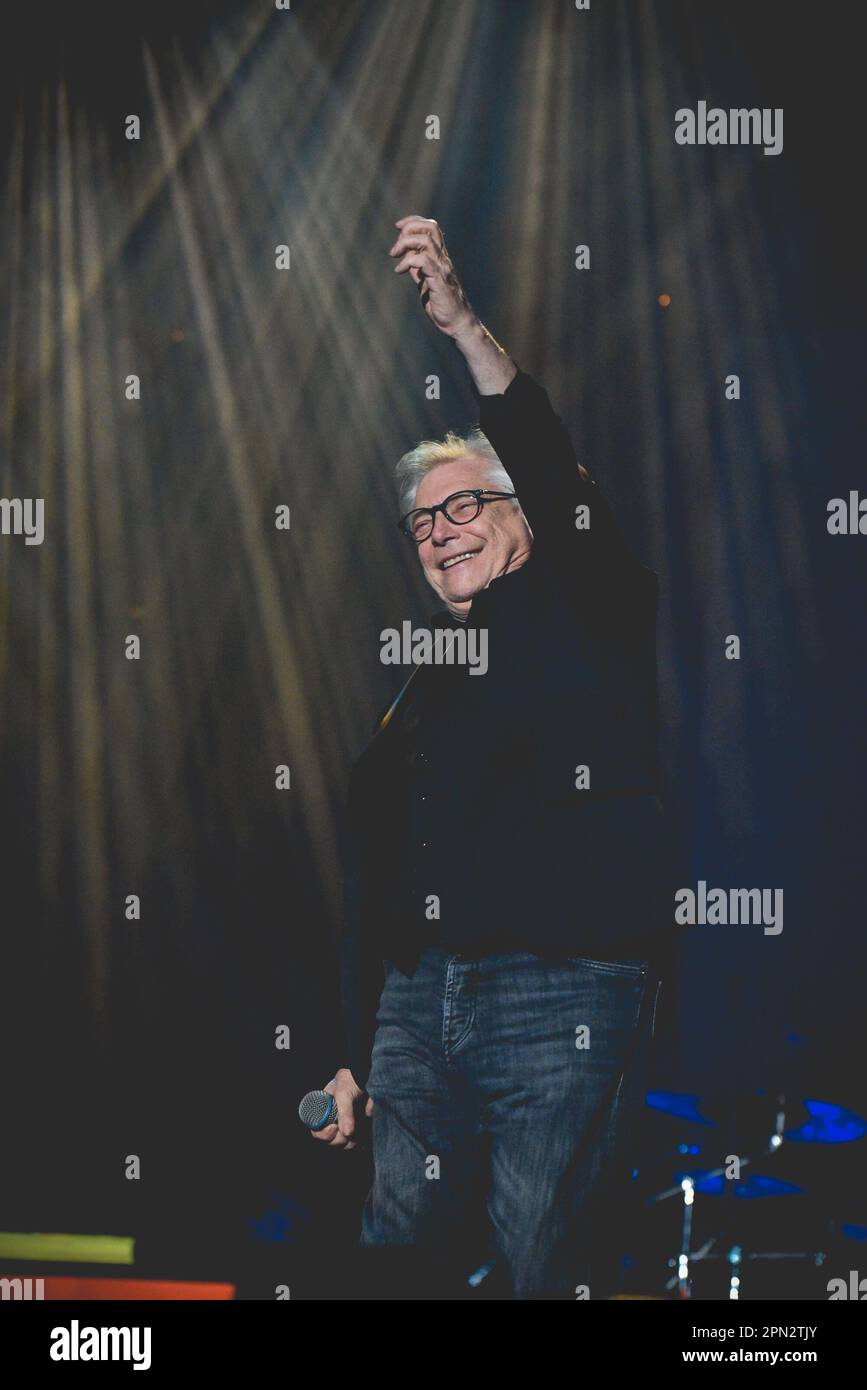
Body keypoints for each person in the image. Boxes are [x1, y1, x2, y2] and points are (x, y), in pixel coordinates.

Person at [311, 215, 676, 1299]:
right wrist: (350, 1045)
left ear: (524, 516)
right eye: (422, 523)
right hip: (418, 1003)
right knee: (394, 1248)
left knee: (535, 1250)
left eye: (464, 502)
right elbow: (368, 885)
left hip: (559, 982)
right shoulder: (417, 685)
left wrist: (463, 326)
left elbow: (543, 450)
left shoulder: (587, 605)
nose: (441, 531)